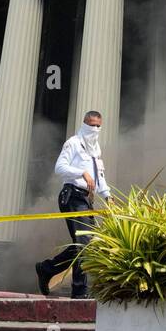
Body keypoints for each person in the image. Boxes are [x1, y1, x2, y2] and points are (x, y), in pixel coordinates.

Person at [36, 110, 109, 299]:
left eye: (98, 126)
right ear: (84, 123)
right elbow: (60, 167)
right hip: (73, 197)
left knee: (87, 243)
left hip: (86, 199)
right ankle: (79, 291)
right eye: (91, 125)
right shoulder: (74, 143)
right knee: (84, 244)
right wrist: (81, 173)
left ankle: (47, 268)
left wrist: (108, 196)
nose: (94, 129)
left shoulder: (96, 149)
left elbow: (99, 177)